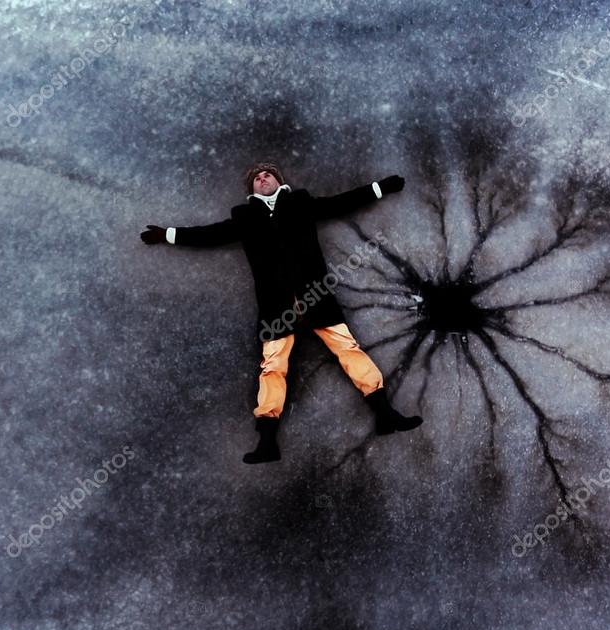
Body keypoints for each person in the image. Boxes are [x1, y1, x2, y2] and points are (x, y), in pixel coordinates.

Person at [141, 162, 422, 464]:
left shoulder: (300, 204)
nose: (263, 179)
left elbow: (341, 202)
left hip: (316, 297)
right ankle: (267, 442)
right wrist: (166, 234)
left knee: (349, 350)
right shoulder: (244, 217)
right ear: (252, 189)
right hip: (276, 307)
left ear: (279, 181)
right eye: (257, 178)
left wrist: (380, 187)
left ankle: (385, 413)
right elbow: (208, 234)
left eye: (268, 175)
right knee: (273, 368)